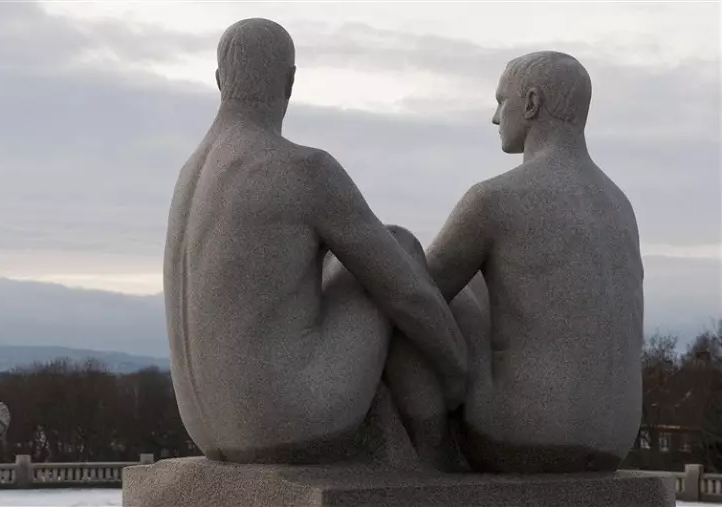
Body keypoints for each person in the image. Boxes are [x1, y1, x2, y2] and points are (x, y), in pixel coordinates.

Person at [164, 18, 468, 465]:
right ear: (290, 82)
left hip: (206, 430)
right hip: (291, 420)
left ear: (219, 81)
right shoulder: (303, 171)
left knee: (339, 267)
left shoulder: (188, 176)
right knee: (397, 245)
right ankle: (434, 444)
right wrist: (458, 371)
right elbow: (407, 294)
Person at [426, 51, 644, 473]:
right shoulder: (620, 205)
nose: (494, 117)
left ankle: (424, 451)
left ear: (530, 103)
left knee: (419, 287)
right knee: (487, 282)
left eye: (500, 101)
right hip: (615, 442)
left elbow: (420, 294)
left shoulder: (495, 198)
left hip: (520, 433)